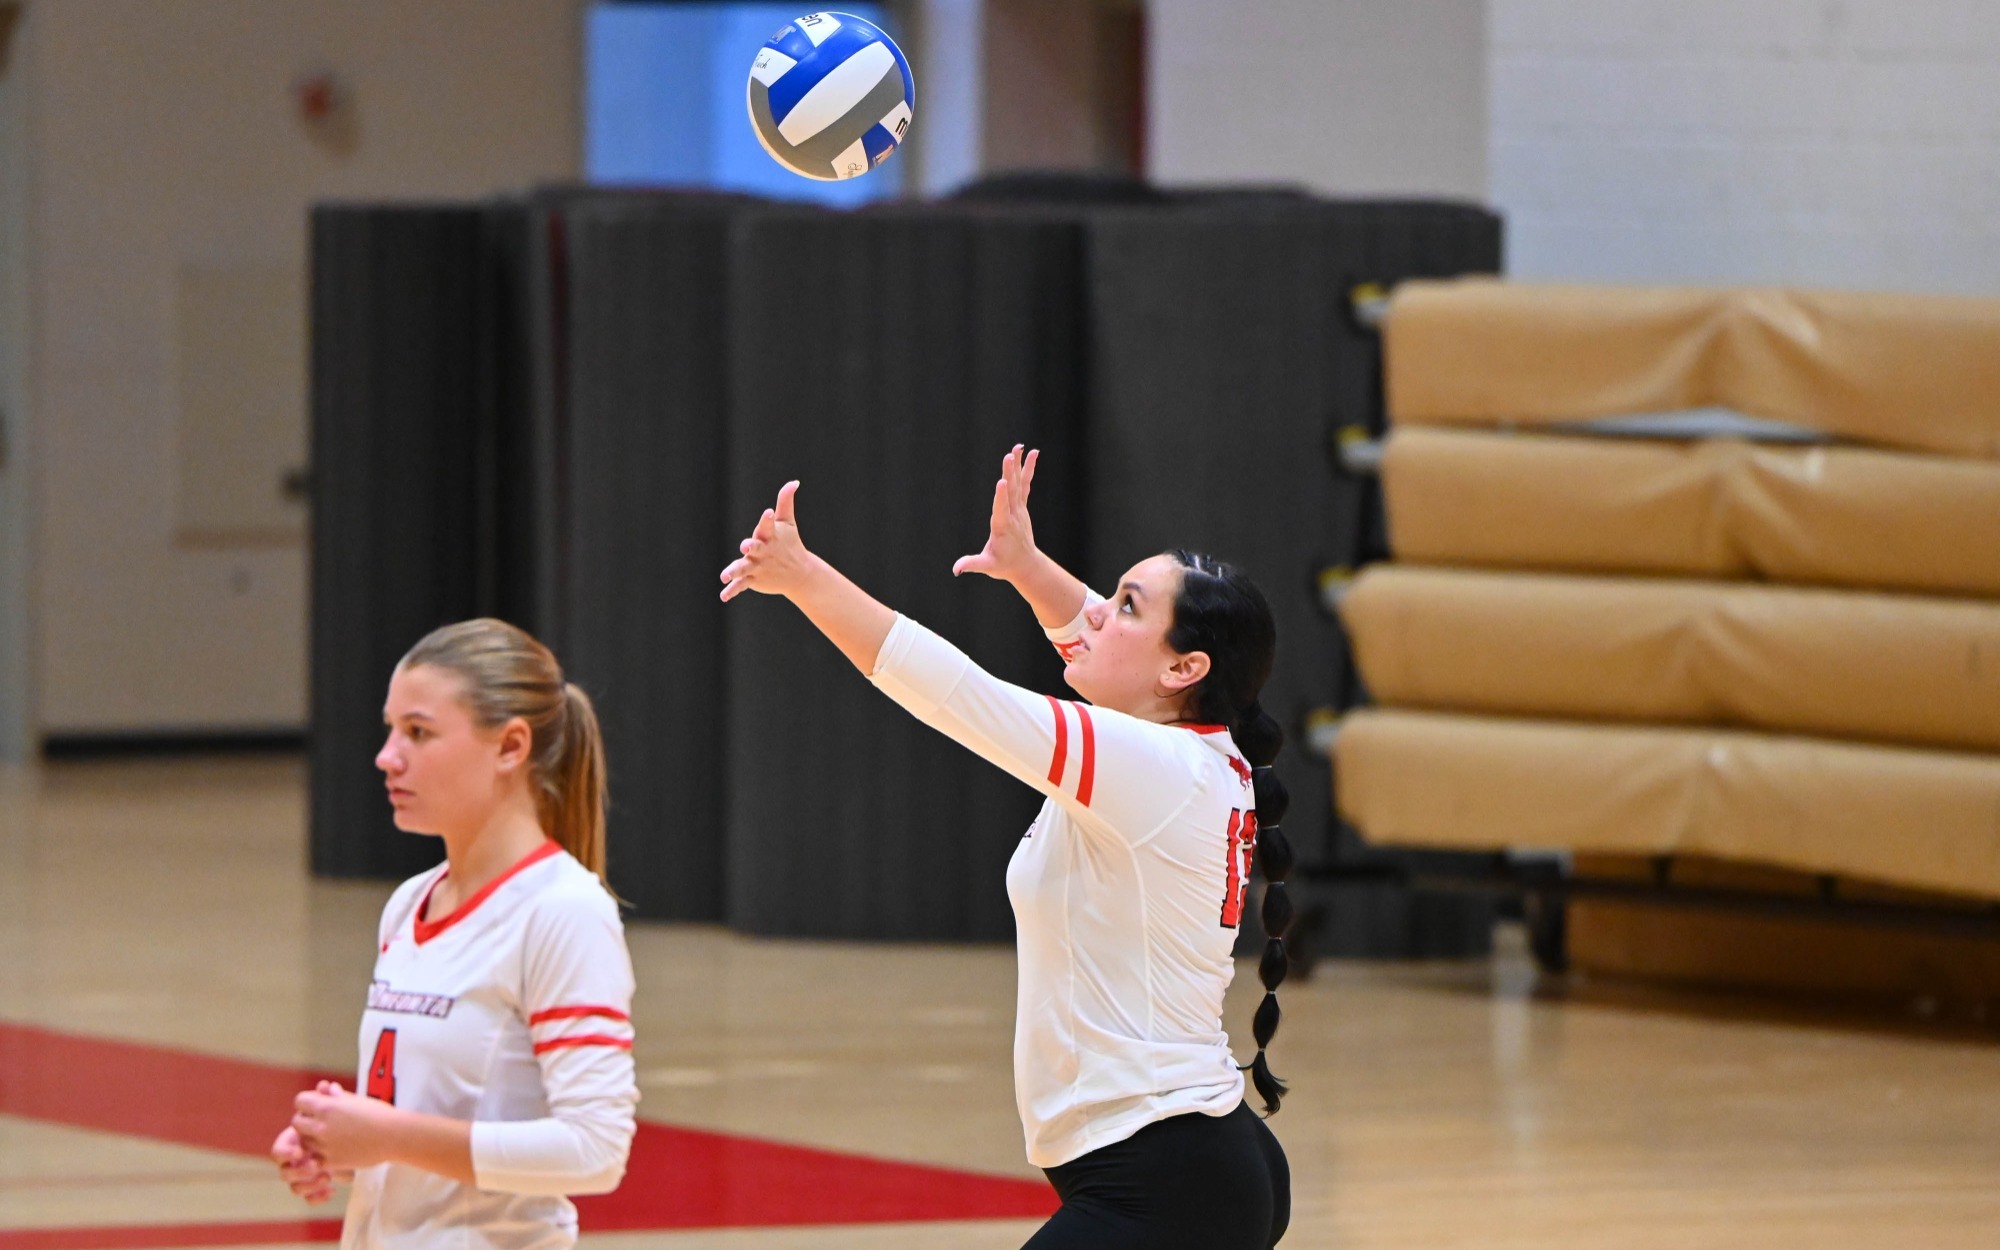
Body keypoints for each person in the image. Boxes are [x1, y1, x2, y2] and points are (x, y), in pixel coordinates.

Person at [719, 446, 1293, 1250]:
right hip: (1196, 1163)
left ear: (1185, 667)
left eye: (1126, 604)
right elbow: (1103, 647)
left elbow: (961, 696)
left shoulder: (1150, 767)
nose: (1095, 612)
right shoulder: (1194, 744)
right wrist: (1026, 568)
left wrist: (804, 575)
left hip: (1165, 1181)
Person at [270, 619, 638, 1250]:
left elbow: (596, 1151)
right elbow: (436, 1117)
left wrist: (386, 1136)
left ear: (510, 746)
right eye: (390, 730)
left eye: (418, 732)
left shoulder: (563, 911)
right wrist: (339, 1144)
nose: (387, 756)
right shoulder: (410, 903)